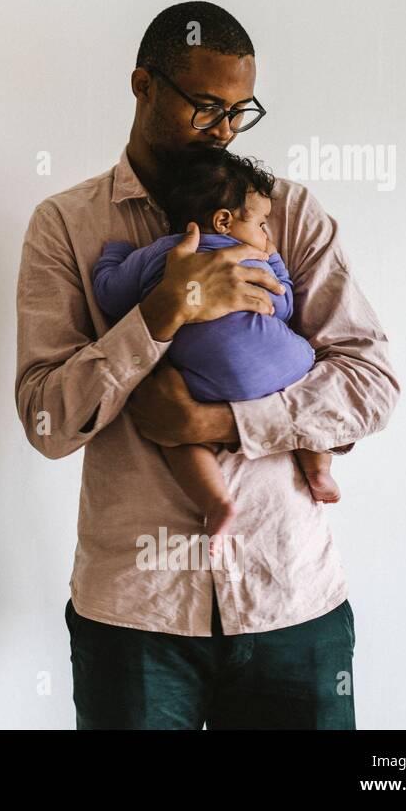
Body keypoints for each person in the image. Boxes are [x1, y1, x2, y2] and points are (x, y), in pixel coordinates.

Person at [14, 1, 400, 729]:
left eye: (239, 111)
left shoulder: (286, 214)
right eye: (205, 107)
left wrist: (221, 421)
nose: (224, 130)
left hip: (290, 603)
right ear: (144, 86)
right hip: (134, 617)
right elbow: (46, 419)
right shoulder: (66, 226)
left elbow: (372, 382)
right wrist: (164, 311)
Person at [91, 147, 340, 549]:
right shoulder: (253, 259)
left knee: (175, 427)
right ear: (224, 220)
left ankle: (215, 500)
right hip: (288, 364)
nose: (267, 235)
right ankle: (318, 466)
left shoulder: (159, 253)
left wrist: (114, 254)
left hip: (207, 382)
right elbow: (283, 307)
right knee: (311, 398)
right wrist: (275, 265)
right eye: (261, 223)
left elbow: (109, 294)